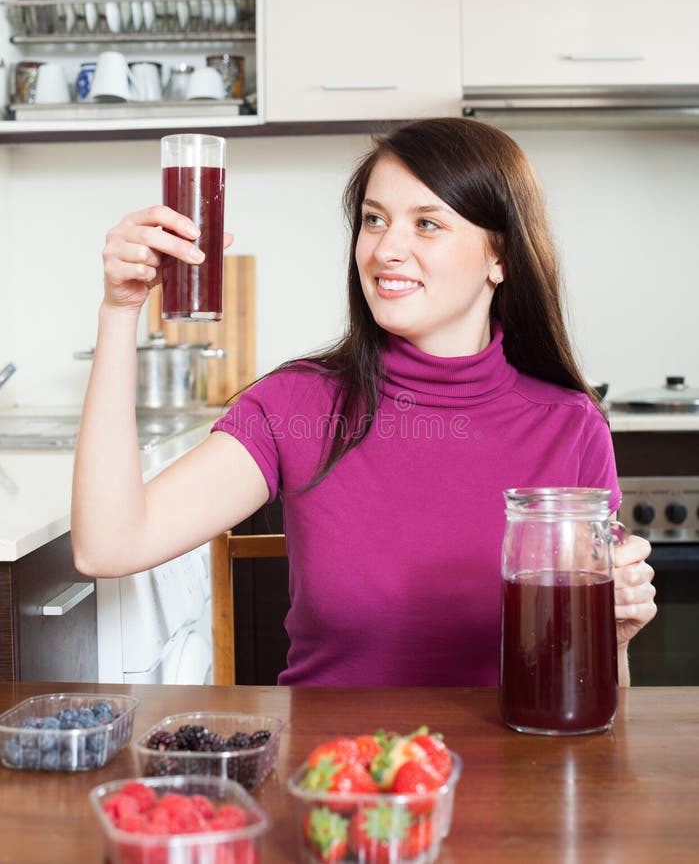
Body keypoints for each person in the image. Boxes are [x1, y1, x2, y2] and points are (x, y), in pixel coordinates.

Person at [71, 117, 656, 688]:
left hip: (511, 754)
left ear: (500, 257)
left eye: (427, 224)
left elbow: (593, 695)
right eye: (374, 220)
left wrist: (616, 639)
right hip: (333, 754)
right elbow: (108, 545)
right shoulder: (297, 406)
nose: (386, 249)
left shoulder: (570, 427)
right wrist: (120, 310)